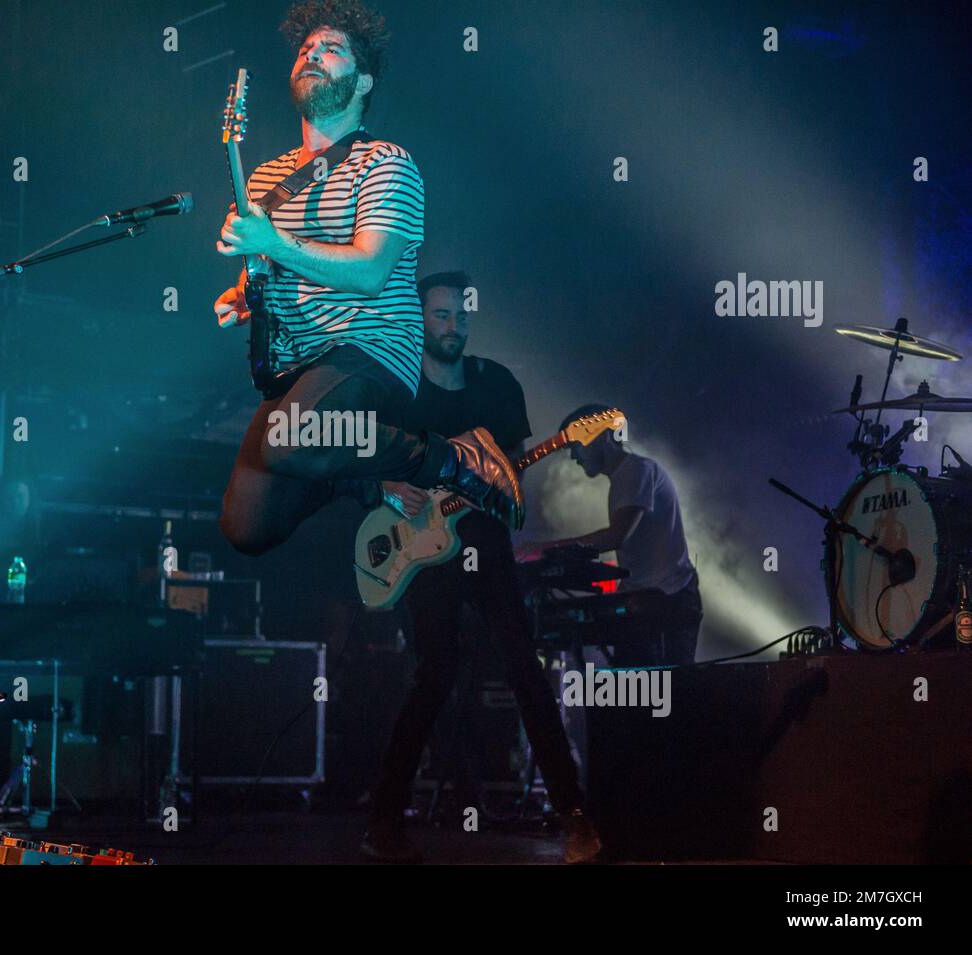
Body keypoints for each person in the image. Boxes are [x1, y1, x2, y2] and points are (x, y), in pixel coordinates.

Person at [214, 0, 523, 559]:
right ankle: (362, 474)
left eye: (331, 49)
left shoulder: (387, 164)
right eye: (306, 49)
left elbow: (372, 272)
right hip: (297, 365)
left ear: (362, 81)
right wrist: (242, 293)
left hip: (370, 344)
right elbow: (270, 269)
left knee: (292, 439)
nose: (313, 55)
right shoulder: (265, 177)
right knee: (246, 527)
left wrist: (274, 243)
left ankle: (455, 459)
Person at [361, 271, 601, 864]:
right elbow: (354, 462)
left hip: (487, 547)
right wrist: (388, 486)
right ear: (418, 320)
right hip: (424, 554)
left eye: (461, 314)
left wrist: (505, 479)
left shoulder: (498, 385)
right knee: (433, 677)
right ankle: (384, 819)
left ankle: (575, 817)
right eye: (441, 314)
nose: (454, 325)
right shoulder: (395, 387)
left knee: (525, 671)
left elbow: (514, 468)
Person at [527, 405, 702, 666]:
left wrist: (543, 550)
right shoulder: (626, 475)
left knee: (665, 695)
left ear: (602, 435)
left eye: (576, 444)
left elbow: (615, 537)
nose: (574, 456)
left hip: (668, 599)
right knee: (640, 694)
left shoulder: (636, 470)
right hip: (650, 597)